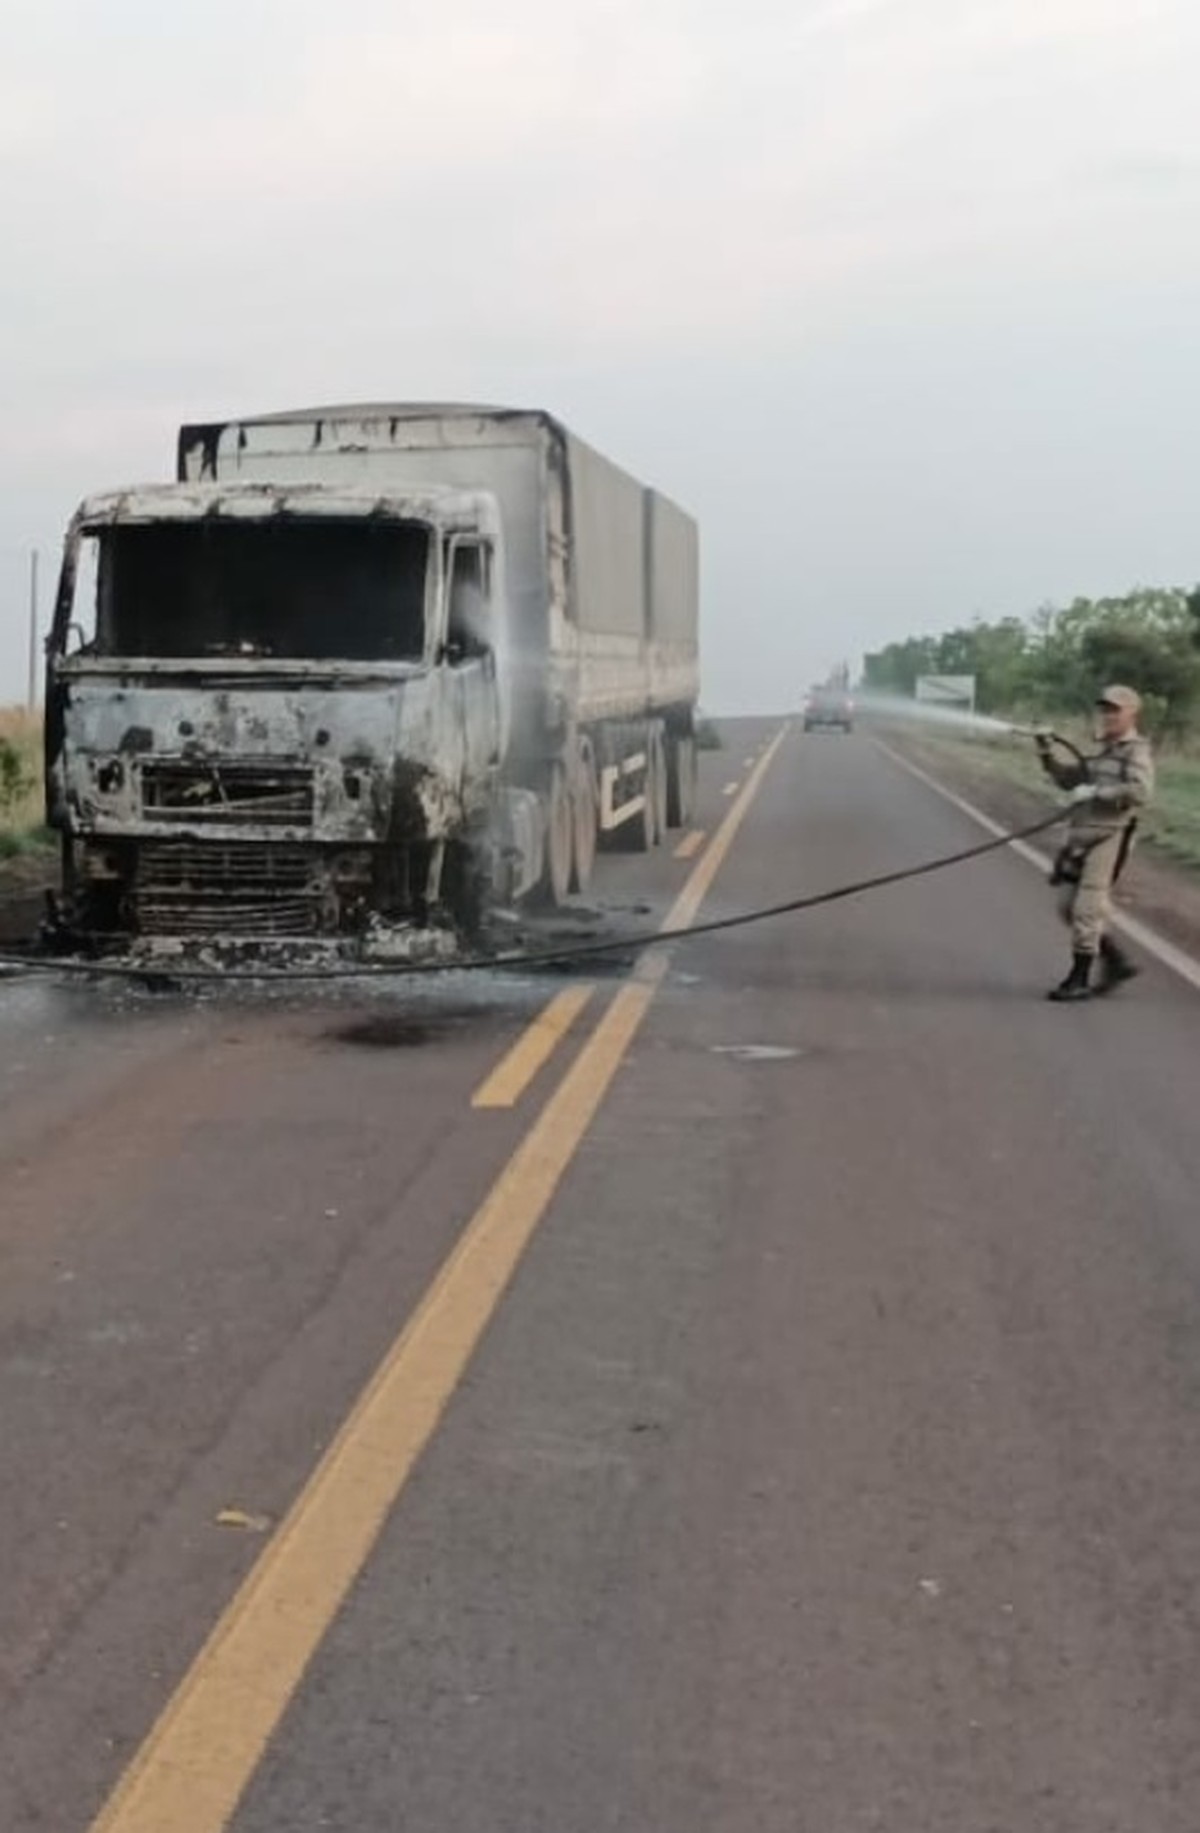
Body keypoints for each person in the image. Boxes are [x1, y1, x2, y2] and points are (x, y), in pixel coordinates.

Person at [1037, 685, 1155, 1002]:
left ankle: (1078, 979)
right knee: (1068, 908)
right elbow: (1068, 778)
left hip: (1110, 834)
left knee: (1087, 907)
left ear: (1132, 713)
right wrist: (1046, 752)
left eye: (1115, 710)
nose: (1108, 715)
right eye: (1105, 709)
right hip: (1081, 835)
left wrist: (1098, 793)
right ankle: (1117, 962)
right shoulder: (1100, 749)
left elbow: (1140, 792)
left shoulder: (1136, 751)